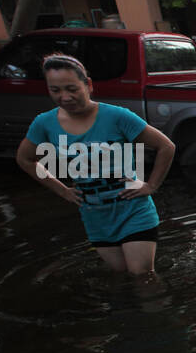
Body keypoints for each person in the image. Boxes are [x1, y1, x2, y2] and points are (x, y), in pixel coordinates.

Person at [15, 52, 176, 276]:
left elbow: (166, 146)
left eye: (72, 89)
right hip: (95, 215)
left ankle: (158, 309)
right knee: (120, 275)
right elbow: (25, 158)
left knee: (142, 276)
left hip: (132, 209)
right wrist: (62, 191)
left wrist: (151, 186)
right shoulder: (44, 123)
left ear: (88, 84)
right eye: (55, 90)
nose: (65, 97)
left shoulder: (118, 116)